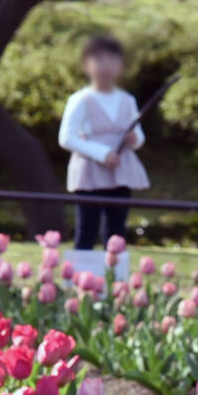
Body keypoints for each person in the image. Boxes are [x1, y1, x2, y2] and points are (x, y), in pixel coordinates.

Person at [59, 35, 149, 252]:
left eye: (112, 60)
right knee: (87, 229)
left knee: (116, 231)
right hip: (90, 172)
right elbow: (67, 137)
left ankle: (116, 280)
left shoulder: (127, 100)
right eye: (99, 60)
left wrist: (135, 140)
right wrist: (101, 153)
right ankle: (80, 280)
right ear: (86, 65)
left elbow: (138, 134)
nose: (106, 66)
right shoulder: (80, 100)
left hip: (120, 170)